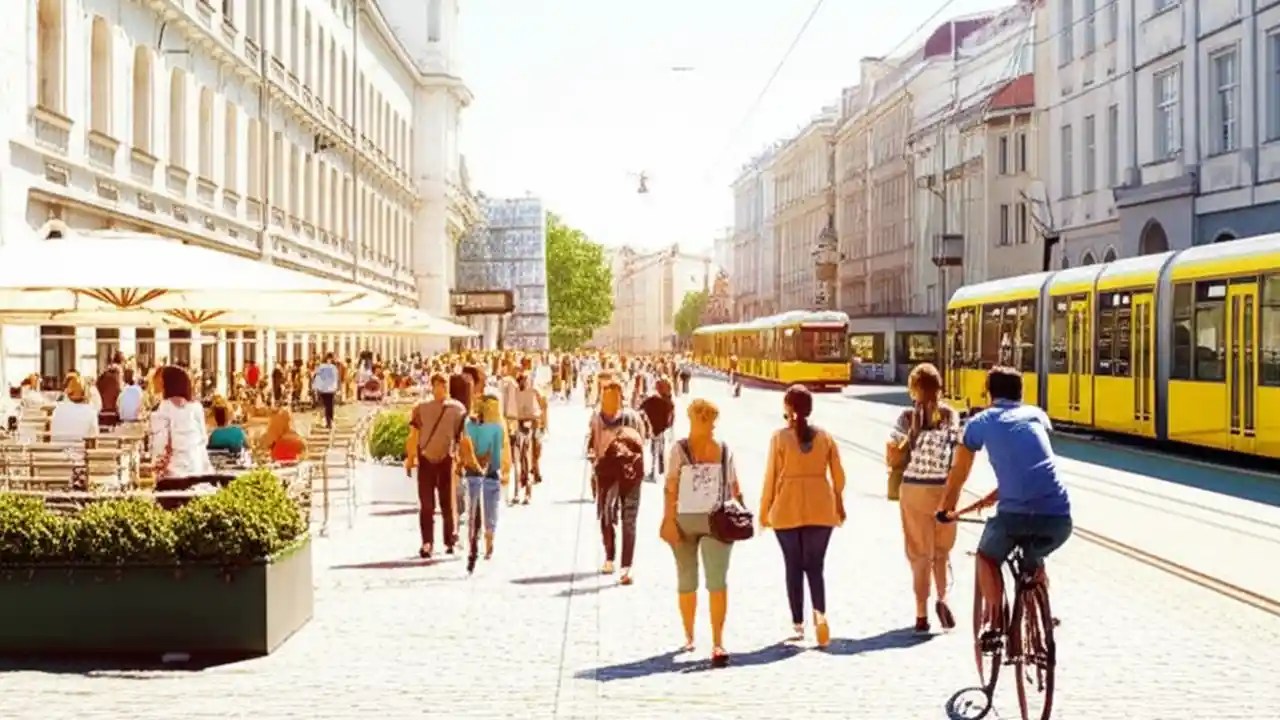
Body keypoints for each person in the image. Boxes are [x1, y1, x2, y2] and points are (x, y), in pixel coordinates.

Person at [938, 366, 1073, 648]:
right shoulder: (1037, 416)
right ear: (1021, 393)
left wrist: (946, 509)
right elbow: (1030, 469)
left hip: (1015, 518)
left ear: (989, 394)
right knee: (1033, 555)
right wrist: (992, 497)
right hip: (1060, 518)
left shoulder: (979, 422)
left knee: (986, 557)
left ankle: (995, 623)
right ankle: (1043, 609)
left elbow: (959, 474)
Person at [759, 385, 846, 647]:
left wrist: (764, 511)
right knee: (815, 567)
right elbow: (839, 476)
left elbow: (771, 477)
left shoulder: (779, 438)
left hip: (787, 508)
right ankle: (820, 615)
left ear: (787, 408)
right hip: (821, 506)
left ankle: (798, 624)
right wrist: (839, 503)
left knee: (793, 566)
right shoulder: (825, 437)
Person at [661, 398, 742, 668]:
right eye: (701, 419)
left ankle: (717, 641)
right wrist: (668, 520)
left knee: (715, 580)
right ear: (693, 419)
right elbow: (670, 488)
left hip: (715, 523)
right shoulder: (680, 449)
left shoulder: (721, 449)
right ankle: (690, 634)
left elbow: (733, 487)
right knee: (687, 579)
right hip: (687, 522)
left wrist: (740, 512)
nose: (706, 425)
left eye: (709, 420)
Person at [887, 363, 960, 634]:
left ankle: (921, 615)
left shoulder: (907, 416)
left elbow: (892, 448)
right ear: (939, 387)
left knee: (920, 554)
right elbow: (957, 449)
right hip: (943, 489)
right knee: (941, 552)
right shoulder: (950, 415)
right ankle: (942, 599)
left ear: (914, 389)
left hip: (914, 489)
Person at [585, 379, 648, 575]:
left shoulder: (632, 417)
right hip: (608, 472)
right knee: (607, 514)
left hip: (629, 472)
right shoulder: (597, 418)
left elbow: (641, 440)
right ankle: (610, 558)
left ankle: (626, 566)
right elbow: (593, 443)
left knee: (627, 517)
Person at [404, 373, 467, 559]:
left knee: (447, 503)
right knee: (426, 505)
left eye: (445, 384)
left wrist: (462, 459)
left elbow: (462, 437)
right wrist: (410, 458)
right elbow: (414, 435)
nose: (443, 388)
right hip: (425, 459)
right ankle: (427, 543)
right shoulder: (421, 408)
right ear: (432, 387)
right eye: (440, 385)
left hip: (446, 459)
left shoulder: (457, 409)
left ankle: (450, 540)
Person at [462, 390, 510, 567]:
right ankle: (489, 542)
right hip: (491, 472)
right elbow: (500, 452)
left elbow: (466, 447)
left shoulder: (470, 425)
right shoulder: (498, 426)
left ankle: (473, 541)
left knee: (472, 509)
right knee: (491, 508)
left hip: (473, 471)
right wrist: (504, 471)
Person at [150, 366, 215, 488]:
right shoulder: (196, 407)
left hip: (174, 475)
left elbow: (160, 445)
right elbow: (203, 440)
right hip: (199, 473)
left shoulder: (163, 408)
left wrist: (155, 469)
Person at [639, 377, 675, 482]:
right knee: (659, 451)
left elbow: (641, 408)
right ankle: (659, 472)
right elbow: (670, 419)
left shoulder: (652, 400)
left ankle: (655, 473)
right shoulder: (669, 402)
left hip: (654, 429)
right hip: (662, 430)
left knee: (655, 451)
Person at [49, 374, 99, 444]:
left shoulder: (55, 409)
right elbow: (93, 439)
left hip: (54, 451)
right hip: (79, 452)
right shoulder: (91, 412)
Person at [312, 353, 340, 428]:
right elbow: (336, 378)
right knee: (329, 405)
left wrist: (316, 388)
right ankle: (329, 420)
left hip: (324, 389)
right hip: (329, 390)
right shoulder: (333, 367)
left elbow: (316, 377)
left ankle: (329, 421)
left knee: (327, 405)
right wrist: (336, 388)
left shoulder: (321, 367)